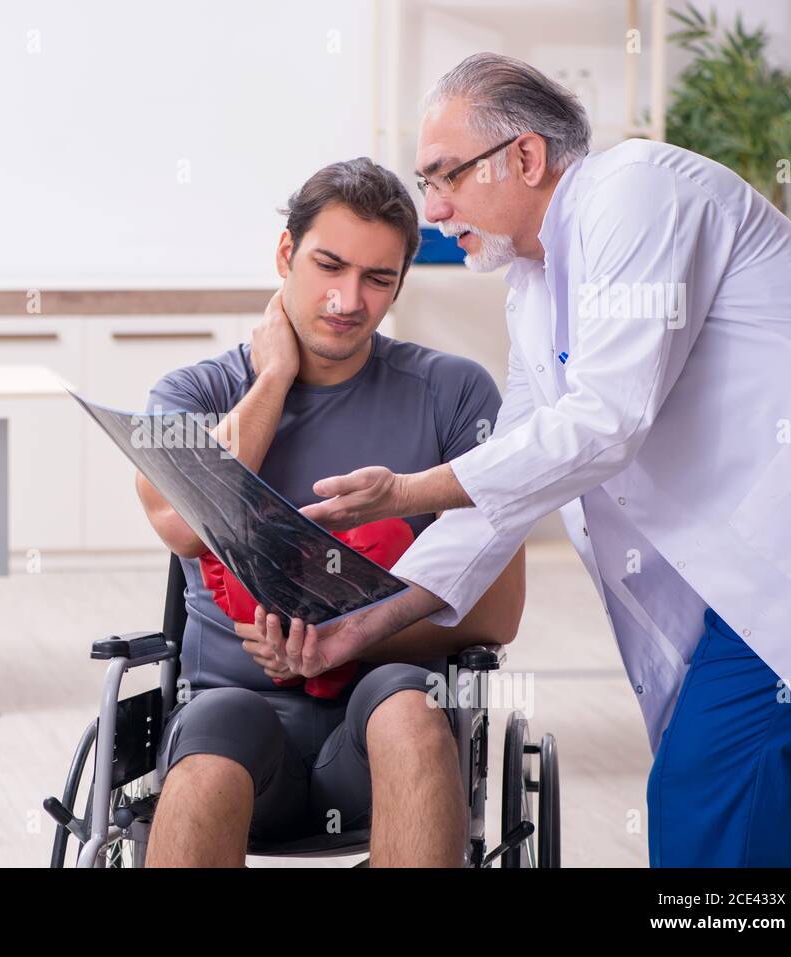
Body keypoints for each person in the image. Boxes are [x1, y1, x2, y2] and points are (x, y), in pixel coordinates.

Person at [261, 53, 791, 867]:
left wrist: (406, 489)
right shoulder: (533, 289)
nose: (433, 208)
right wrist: (363, 624)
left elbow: (607, 419)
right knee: (702, 795)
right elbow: (506, 484)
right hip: (759, 593)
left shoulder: (636, 192)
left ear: (524, 158)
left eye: (443, 177)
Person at [135, 157, 526, 867]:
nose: (349, 300)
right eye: (329, 266)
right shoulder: (189, 394)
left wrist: (346, 637)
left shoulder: (455, 394)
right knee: (211, 748)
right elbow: (185, 525)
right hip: (236, 708)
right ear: (286, 254)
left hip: (388, 708)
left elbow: (498, 613)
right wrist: (274, 381)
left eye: (378, 279)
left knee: (409, 708)